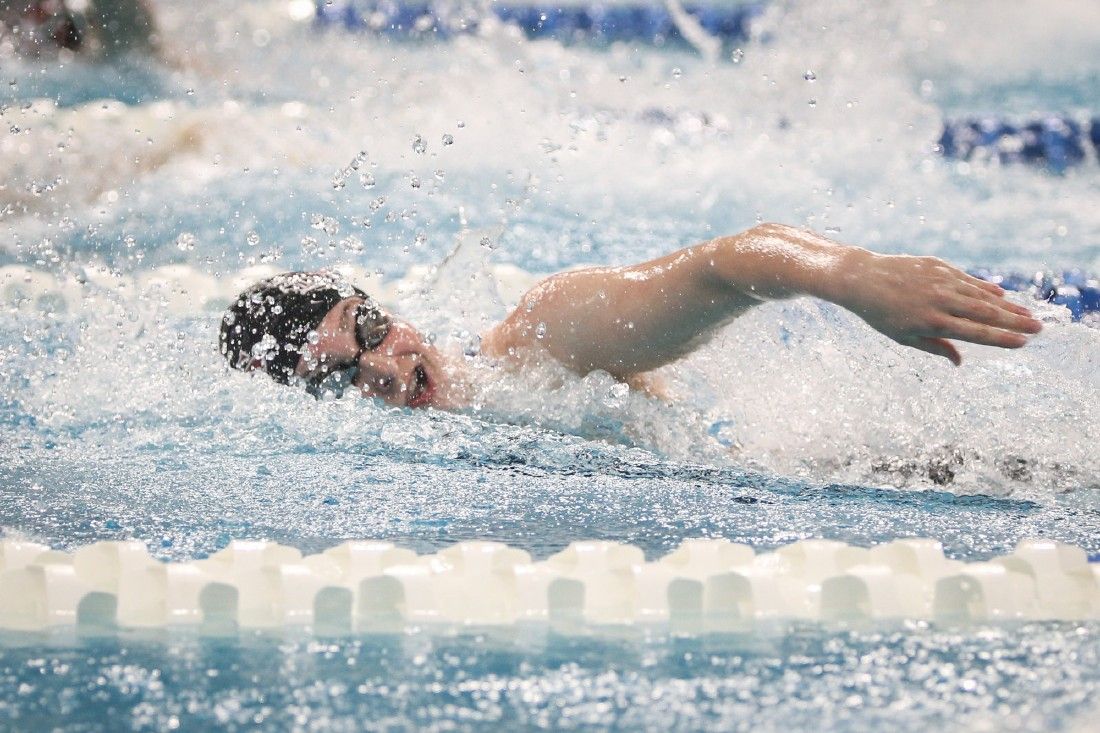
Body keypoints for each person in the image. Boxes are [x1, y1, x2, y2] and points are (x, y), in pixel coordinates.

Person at [219, 223, 1043, 410]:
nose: (384, 369)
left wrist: (855, 276)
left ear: (382, 306)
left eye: (368, 331)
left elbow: (725, 263)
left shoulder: (542, 341)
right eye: (337, 379)